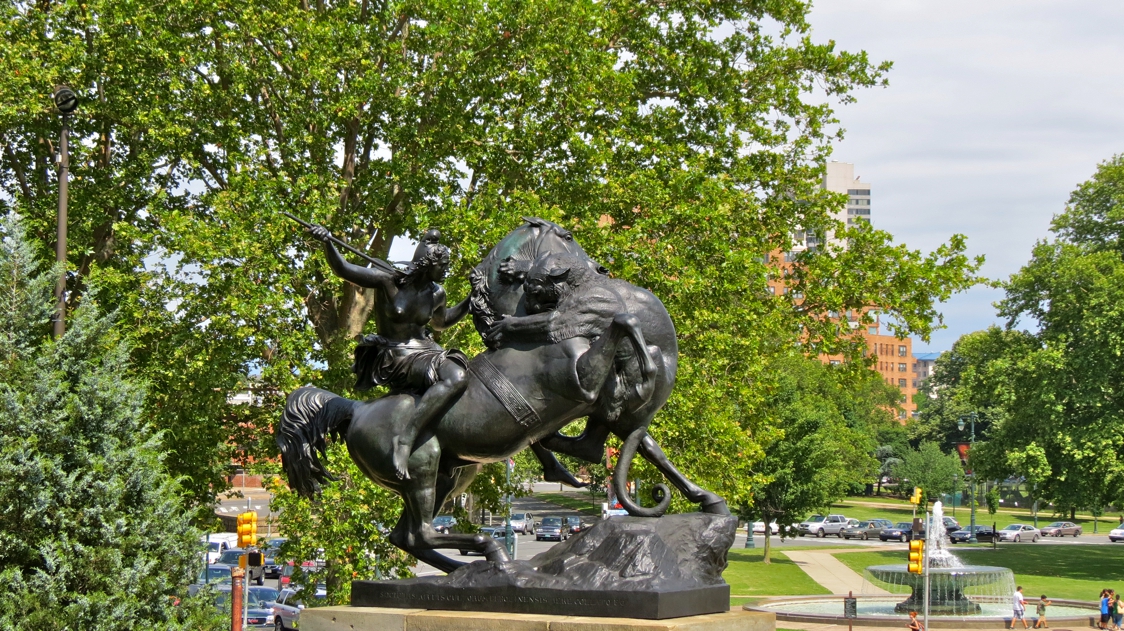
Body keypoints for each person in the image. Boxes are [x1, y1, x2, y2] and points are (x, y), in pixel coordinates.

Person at [309, 225, 471, 480]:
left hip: (428, 350)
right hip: (397, 356)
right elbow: (344, 269)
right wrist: (327, 242)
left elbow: (441, 322)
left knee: (467, 376)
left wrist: (470, 301)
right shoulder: (387, 281)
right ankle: (406, 438)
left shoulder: (437, 293)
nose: (446, 271)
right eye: (443, 266)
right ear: (428, 265)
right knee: (457, 378)